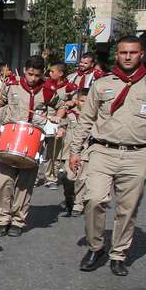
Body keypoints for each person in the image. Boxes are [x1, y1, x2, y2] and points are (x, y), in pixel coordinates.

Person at [69, 36, 146, 276]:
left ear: (141, 54)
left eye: (132, 52)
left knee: (128, 208)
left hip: (137, 153)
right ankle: (96, 247)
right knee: (94, 200)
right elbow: (86, 119)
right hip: (102, 150)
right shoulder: (102, 83)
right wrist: (75, 150)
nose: (127, 56)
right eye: (123, 52)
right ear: (117, 55)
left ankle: (118, 253)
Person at [0, 55, 59, 237]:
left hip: (34, 139)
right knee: (3, 181)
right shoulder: (12, 85)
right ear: (24, 71)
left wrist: (56, 117)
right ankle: (2, 219)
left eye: (37, 75)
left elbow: (60, 106)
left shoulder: (48, 89)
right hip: (11, 137)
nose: (33, 79)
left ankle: (18, 220)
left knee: (25, 183)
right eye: (30, 74)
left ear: (42, 74)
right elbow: (0, 102)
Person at [38, 62, 72, 187]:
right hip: (42, 119)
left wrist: (62, 113)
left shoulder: (68, 87)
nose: (50, 73)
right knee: (37, 149)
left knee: (53, 152)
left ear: (61, 73)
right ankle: (35, 176)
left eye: (52, 71)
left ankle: (51, 178)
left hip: (58, 120)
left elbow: (72, 102)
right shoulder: (45, 84)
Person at [58, 87, 90, 217]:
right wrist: (60, 131)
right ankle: (69, 198)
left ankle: (79, 204)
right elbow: (62, 125)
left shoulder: (95, 116)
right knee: (69, 178)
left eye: (88, 101)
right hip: (69, 152)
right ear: (76, 101)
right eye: (82, 101)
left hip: (86, 151)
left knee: (82, 179)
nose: (85, 104)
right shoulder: (70, 114)